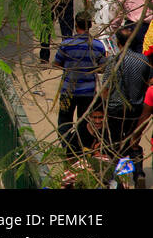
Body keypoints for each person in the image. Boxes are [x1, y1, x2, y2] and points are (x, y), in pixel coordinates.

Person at [101, 22, 152, 185]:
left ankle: (121, 178)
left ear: (118, 42)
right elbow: (149, 82)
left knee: (116, 144)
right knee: (133, 141)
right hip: (135, 109)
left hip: (115, 109)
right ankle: (139, 174)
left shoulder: (113, 61)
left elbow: (105, 90)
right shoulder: (143, 61)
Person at [55, 15, 106, 157]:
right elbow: (102, 67)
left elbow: (57, 63)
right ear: (89, 26)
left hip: (68, 92)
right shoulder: (97, 45)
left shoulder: (67, 44)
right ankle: (82, 149)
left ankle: (68, 148)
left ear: (76, 25)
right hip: (88, 93)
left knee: (64, 121)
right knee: (84, 122)